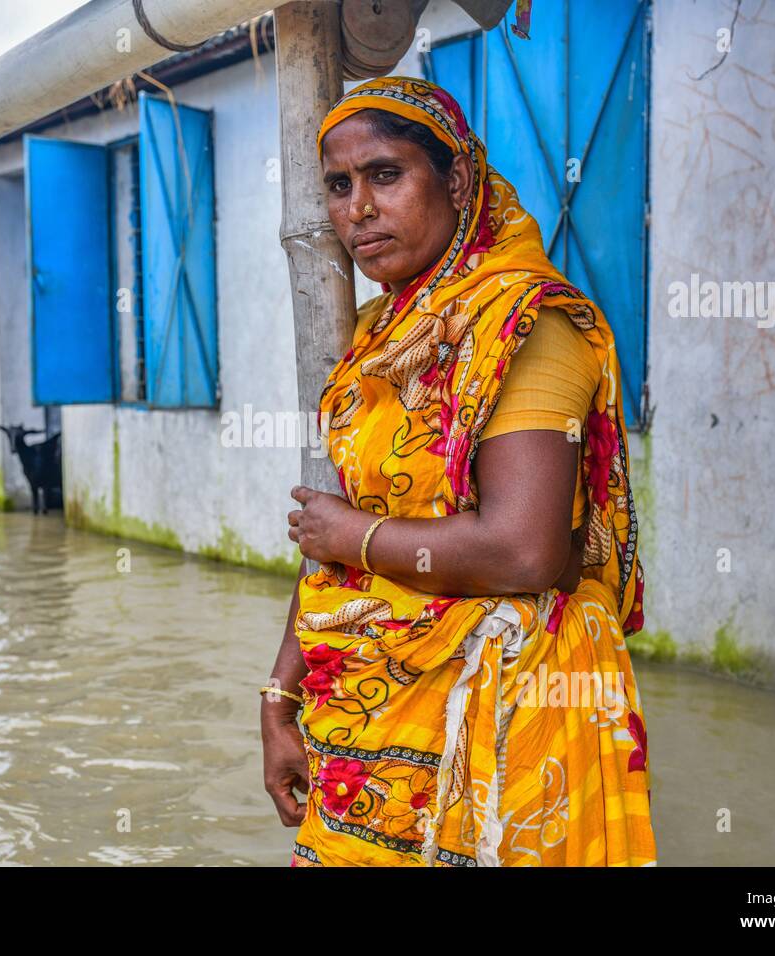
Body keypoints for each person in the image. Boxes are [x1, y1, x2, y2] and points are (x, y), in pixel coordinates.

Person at [260, 76, 655, 866]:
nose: (357, 210)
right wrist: (281, 694)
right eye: (339, 186)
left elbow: (524, 551)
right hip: (368, 705)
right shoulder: (380, 330)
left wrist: (355, 535)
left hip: (499, 705)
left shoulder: (527, 324)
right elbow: (342, 530)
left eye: (385, 174)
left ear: (458, 181)